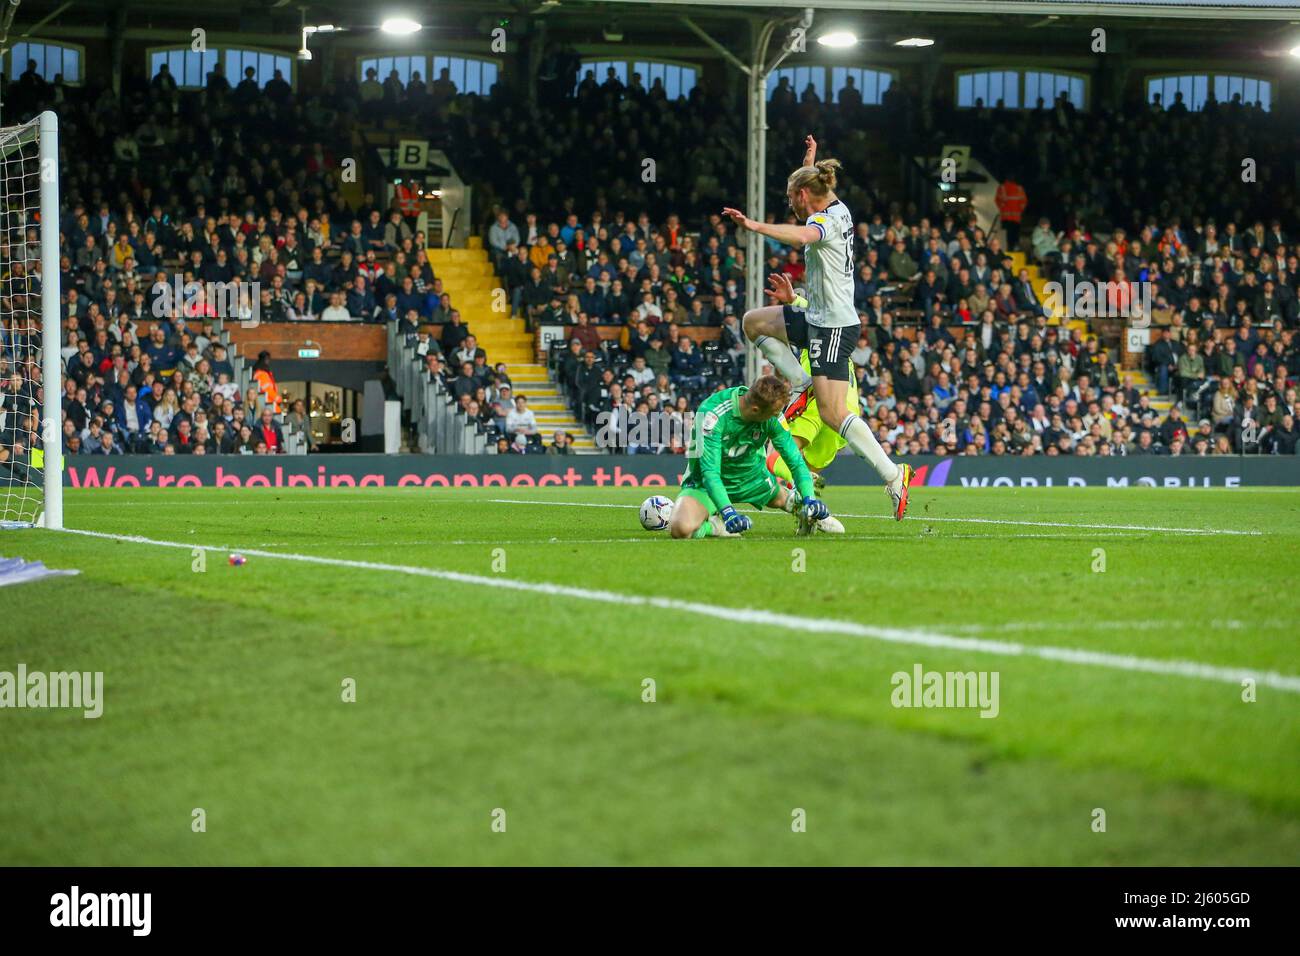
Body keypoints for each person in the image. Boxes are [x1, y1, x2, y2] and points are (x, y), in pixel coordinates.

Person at [724, 134, 913, 519]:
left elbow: (804, 235)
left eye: (792, 197)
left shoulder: (825, 221)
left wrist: (753, 225)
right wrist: (809, 157)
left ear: (805, 195)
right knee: (754, 322)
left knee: (832, 412)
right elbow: (812, 188)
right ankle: (800, 382)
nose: (790, 203)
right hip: (814, 317)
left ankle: (894, 476)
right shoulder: (832, 205)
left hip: (834, 328)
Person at [668, 375, 830, 539]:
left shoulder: (772, 413)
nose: (777, 417)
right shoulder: (711, 416)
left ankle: (803, 505)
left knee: (782, 499)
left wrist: (810, 498)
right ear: (755, 410)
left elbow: (795, 460)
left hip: (751, 477)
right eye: (774, 414)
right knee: (680, 529)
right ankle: (716, 526)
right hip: (706, 484)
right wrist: (728, 512)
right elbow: (710, 473)